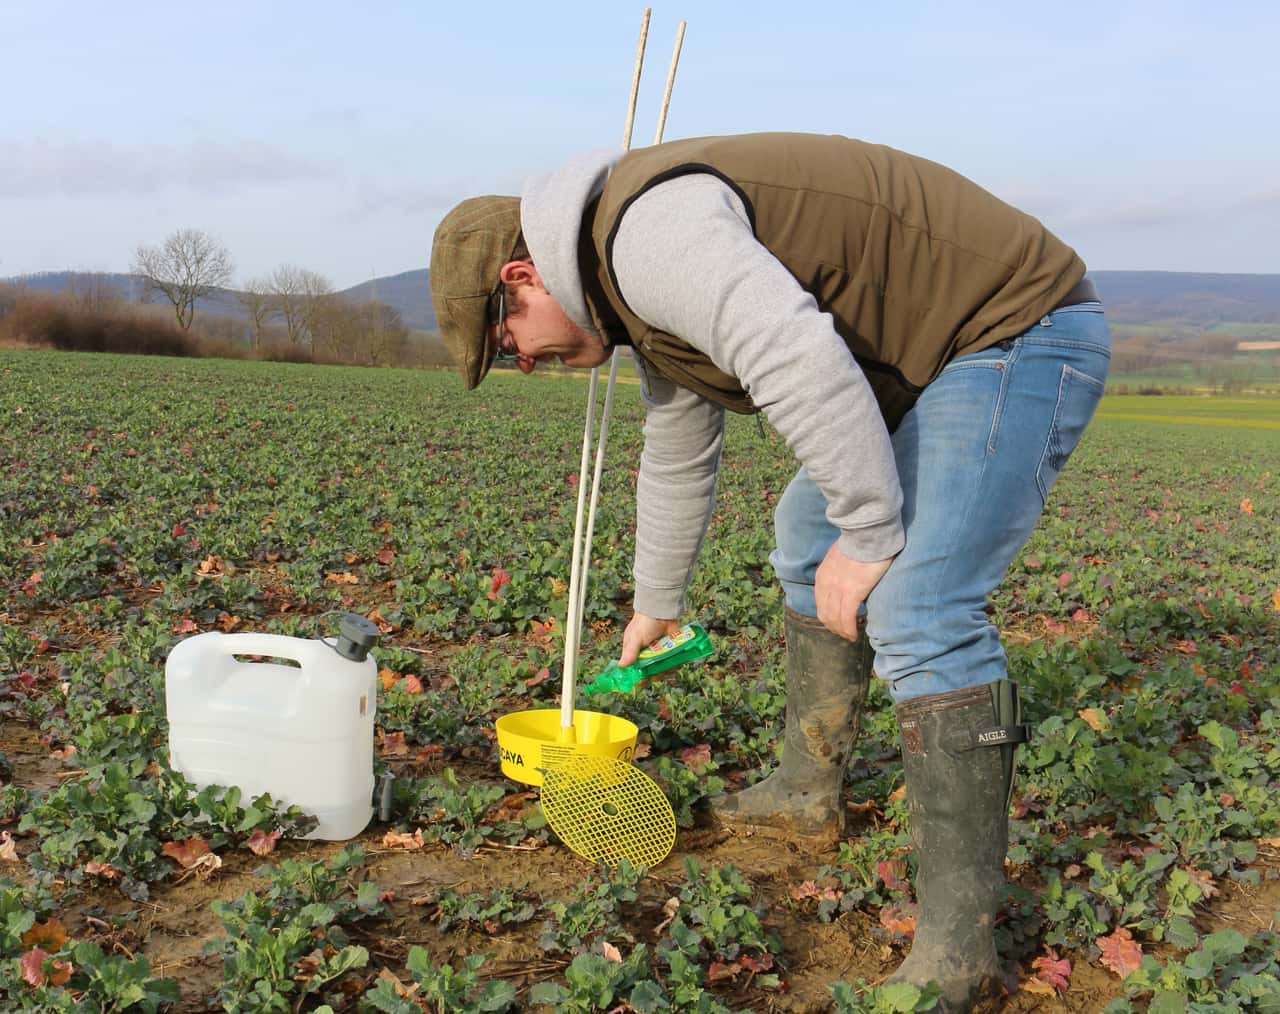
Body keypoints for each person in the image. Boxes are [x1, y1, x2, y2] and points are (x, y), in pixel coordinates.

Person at [429, 132, 1110, 1011]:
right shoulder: (623, 288)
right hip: (929, 360)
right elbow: (678, 447)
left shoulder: (649, 241)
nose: (520, 360)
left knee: (922, 604)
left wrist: (869, 533)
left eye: (505, 339)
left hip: (1015, 328)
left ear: (522, 278)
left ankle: (960, 949)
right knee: (801, 532)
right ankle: (805, 790)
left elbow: (797, 359)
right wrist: (656, 602)